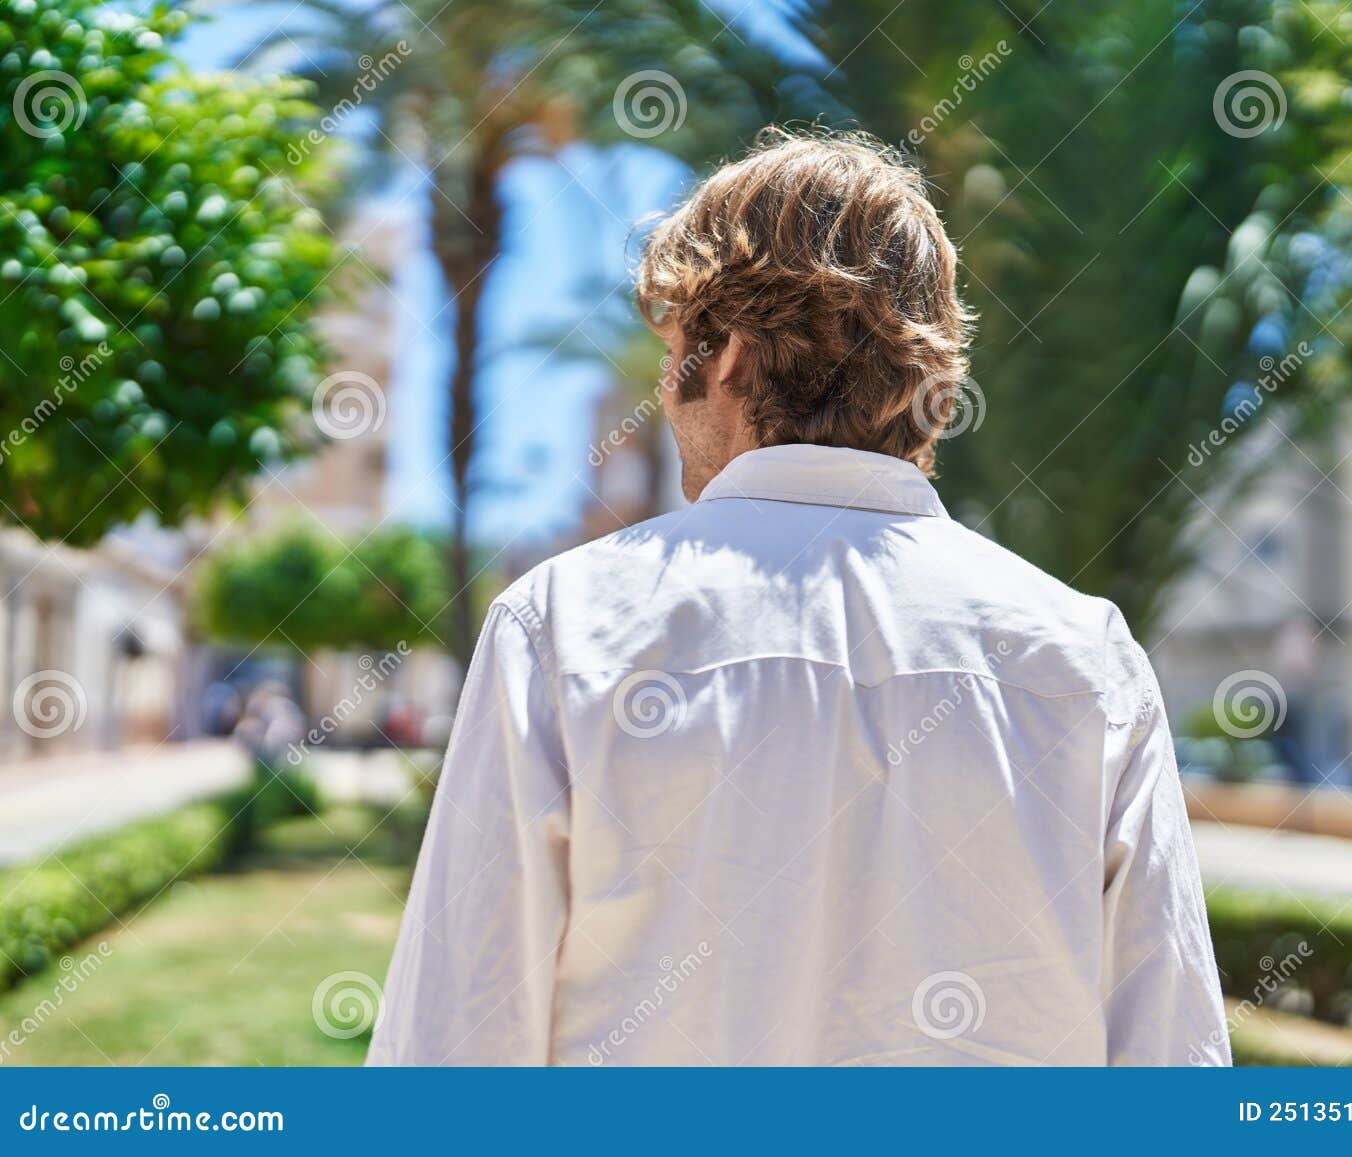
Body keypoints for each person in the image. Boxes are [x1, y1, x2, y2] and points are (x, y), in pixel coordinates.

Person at [368, 129, 1230, 1067]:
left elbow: (454, 1046)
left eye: (672, 350)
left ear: (728, 352)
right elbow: (1172, 1062)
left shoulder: (564, 626)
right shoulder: (1085, 655)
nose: (663, 390)